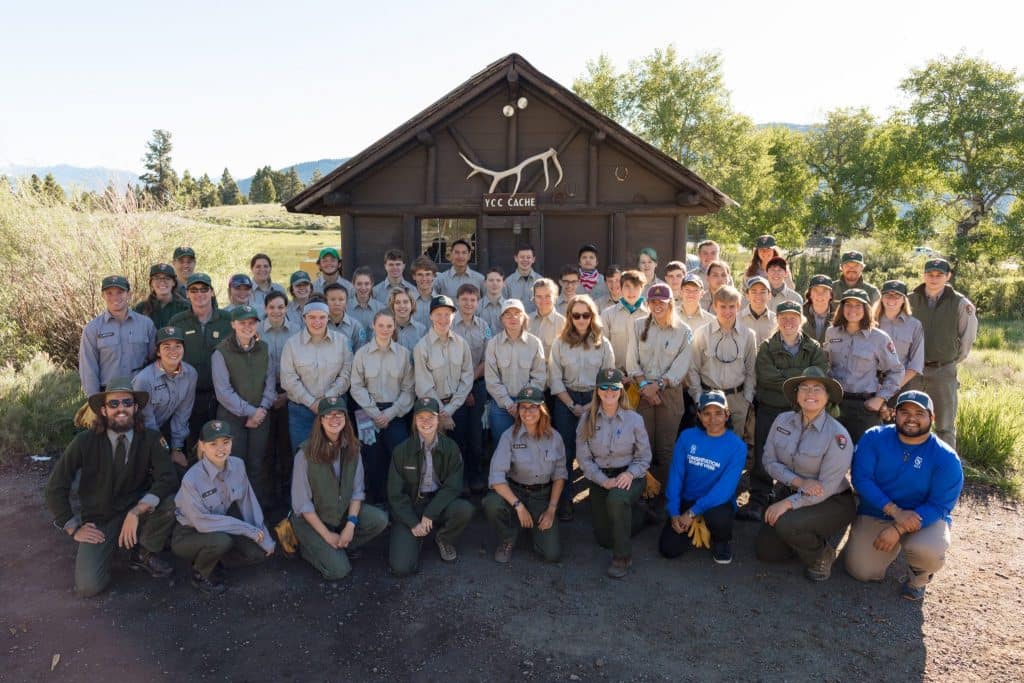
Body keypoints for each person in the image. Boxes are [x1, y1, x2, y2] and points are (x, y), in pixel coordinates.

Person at [44, 378, 177, 597]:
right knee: (88, 587)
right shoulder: (84, 442)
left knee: (171, 502)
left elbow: (168, 478)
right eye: (113, 404)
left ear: (135, 407)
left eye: (126, 402)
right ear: (104, 411)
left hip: (136, 513)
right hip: (100, 520)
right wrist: (73, 527)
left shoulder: (151, 439)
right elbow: (55, 488)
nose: (121, 408)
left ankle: (142, 551)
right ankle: (115, 548)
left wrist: (137, 510)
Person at [844, 390, 964, 600]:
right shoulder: (874, 437)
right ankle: (888, 548)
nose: (911, 418)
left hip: (922, 518)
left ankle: (919, 577)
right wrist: (894, 511)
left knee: (928, 550)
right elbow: (861, 480)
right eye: (905, 412)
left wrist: (898, 528)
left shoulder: (945, 457)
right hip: (878, 513)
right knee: (860, 571)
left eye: (919, 413)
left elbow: (939, 505)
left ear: (932, 418)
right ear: (894, 414)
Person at [755, 367, 856, 581]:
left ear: (827, 397)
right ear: (797, 394)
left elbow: (825, 488)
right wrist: (799, 481)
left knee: (786, 524)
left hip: (831, 500)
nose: (810, 394)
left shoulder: (837, 436)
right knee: (767, 552)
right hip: (795, 489)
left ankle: (821, 554)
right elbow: (768, 461)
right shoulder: (782, 421)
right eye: (805, 388)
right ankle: (805, 532)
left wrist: (787, 505)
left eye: (817, 388)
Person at [740, 302, 828, 521]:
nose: (788, 322)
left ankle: (790, 494)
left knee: (801, 453)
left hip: (802, 410)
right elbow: (766, 376)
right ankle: (759, 496)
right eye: (784, 317)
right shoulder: (767, 347)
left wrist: (785, 375)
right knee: (764, 452)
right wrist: (800, 379)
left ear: (801, 320)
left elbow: (818, 374)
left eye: (793, 317)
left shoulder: (814, 347)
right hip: (770, 407)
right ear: (776, 320)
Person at [290, 396, 389, 580]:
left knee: (380, 520)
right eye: (328, 415)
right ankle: (308, 548)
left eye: (339, 414)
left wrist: (350, 525)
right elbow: (303, 505)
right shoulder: (304, 454)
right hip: (312, 521)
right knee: (339, 570)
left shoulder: (353, 448)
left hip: (340, 514)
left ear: (346, 418)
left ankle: (342, 543)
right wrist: (327, 535)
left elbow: (357, 492)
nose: (334, 419)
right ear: (320, 420)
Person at [172, 420, 275, 594]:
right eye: (213, 444)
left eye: (226, 443)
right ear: (202, 446)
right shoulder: (191, 479)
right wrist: (246, 529)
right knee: (222, 541)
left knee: (257, 552)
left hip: (220, 523)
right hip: (189, 532)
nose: (221, 449)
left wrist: (263, 535)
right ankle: (200, 572)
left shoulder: (238, 465)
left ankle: (216, 559)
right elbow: (202, 523)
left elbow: (248, 503)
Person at [576, 368, 652, 579]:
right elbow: (584, 459)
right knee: (604, 539)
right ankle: (640, 516)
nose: (609, 392)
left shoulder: (634, 419)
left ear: (621, 391)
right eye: (604, 388)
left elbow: (644, 457)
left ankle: (622, 557)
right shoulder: (586, 420)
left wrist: (629, 475)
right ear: (597, 391)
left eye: (614, 388)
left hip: (629, 475)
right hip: (600, 477)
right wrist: (603, 480)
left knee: (617, 500)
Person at [387, 398, 475, 576]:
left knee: (464, 509)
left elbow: (453, 486)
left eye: (431, 417)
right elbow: (395, 494)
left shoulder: (450, 447)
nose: (426, 422)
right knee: (401, 568)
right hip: (412, 507)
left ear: (438, 420)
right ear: (414, 421)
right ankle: (416, 536)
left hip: (437, 503)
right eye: (421, 417)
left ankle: (443, 538)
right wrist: (413, 522)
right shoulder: (401, 451)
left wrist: (430, 513)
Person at [659, 390, 746, 565]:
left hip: (716, 504)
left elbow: (725, 489)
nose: (713, 419)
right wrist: (675, 511)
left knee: (718, 516)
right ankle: (694, 525)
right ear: (699, 415)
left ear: (727, 414)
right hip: (688, 500)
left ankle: (721, 540)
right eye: (707, 413)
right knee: (669, 549)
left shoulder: (737, 446)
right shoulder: (687, 437)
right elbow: (676, 475)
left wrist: (691, 513)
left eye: (718, 413)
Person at [548, 294, 615, 520]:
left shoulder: (602, 343)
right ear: (569, 317)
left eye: (585, 315)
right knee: (565, 453)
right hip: (566, 399)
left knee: (598, 451)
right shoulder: (559, 343)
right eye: (576, 315)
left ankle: (598, 502)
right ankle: (564, 501)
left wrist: (591, 404)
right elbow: (555, 379)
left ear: (592, 316)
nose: (581, 319)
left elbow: (608, 377)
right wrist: (572, 404)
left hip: (595, 399)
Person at [483, 386, 567, 563]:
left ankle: (533, 529)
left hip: (542, 496)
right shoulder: (508, 437)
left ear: (542, 409)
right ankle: (508, 537)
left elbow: (560, 475)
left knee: (552, 555)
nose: (527, 412)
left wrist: (551, 509)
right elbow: (496, 478)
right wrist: (519, 506)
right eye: (523, 407)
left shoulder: (555, 437)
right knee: (491, 503)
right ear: (518, 410)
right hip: (516, 492)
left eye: (533, 407)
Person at [626, 283, 694, 488]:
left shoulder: (683, 331)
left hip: (670, 393)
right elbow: (631, 360)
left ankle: (666, 495)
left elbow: (681, 366)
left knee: (666, 448)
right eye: (653, 302)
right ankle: (644, 493)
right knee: (642, 446)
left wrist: (657, 386)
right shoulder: (638, 325)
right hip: (641, 391)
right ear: (648, 303)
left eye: (661, 302)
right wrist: (646, 386)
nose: (657, 306)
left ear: (670, 303)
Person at [906, 258, 978, 450]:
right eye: (930, 274)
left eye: (939, 275)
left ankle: (948, 473)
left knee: (944, 426)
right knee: (909, 422)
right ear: (924, 275)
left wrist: (949, 361)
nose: (934, 278)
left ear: (948, 276)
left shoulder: (961, 304)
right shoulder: (909, 299)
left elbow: (967, 338)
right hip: (913, 371)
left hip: (943, 371)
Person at [211, 305, 277, 505]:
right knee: (233, 465)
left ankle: (257, 510)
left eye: (251, 323)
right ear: (233, 324)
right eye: (242, 323)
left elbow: (270, 383)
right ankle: (234, 508)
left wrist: (262, 410)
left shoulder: (264, 349)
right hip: (232, 419)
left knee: (258, 464)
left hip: (260, 417)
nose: (247, 327)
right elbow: (223, 392)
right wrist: (250, 412)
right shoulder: (221, 352)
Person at [350, 310, 415, 504]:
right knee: (371, 458)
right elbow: (356, 386)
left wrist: (389, 413)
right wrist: (375, 413)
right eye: (381, 325)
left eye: (389, 326)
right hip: (366, 413)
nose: (385, 330)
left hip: (395, 412)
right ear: (373, 325)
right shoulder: (361, 354)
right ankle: (377, 501)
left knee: (399, 455)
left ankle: (399, 500)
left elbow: (408, 388)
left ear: (394, 327)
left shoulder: (403, 354)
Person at [823, 289, 903, 443]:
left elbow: (896, 371)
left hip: (864, 407)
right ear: (842, 308)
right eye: (848, 305)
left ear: (866, 309)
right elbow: (826, 364)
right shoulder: (831, 333)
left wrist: (880, 399)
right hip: (835, 405)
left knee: (863, 455)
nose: (853, 309)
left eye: (858, 305)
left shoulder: (879, 338)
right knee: (834, 454)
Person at [169, 273, 233, 450]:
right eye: (194, 290)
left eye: (204, 289)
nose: (199, 294)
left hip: (220, 396)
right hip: (189, 395)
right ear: (187, 294)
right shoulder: (178, 322)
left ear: (212, 292)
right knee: (193, 445)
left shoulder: (227, 321)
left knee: (220, 444)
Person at [280, 300, 354, 449]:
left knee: (336, 453)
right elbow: (288, 379)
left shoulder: (342, 342)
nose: (317, 322)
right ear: (304, 318)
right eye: (312, 317)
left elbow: (346, 375)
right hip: (301, 411)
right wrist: (312, 403)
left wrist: (326, 400)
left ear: (328, 318)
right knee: (303, 455)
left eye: (321, 317)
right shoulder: (291, 344)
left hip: (334, 411)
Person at [688, 285, 757, 440]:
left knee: (734, 444)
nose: (727, 312)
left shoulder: (748, 335)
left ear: (738, 306)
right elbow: (693, 369)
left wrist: (747, 399)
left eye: (732, 307)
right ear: (714, 306)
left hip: (737, 399)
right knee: (707, 445)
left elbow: (751, 370)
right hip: (708, 397)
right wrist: (698, 398)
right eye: (723, 307)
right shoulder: (702, 333)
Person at [133, 325, 198, 472]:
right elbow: (146, 421)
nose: (173, 351)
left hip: (162, 431)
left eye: (178, 346)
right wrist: (163, 451)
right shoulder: (144, 380)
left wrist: (176, 448)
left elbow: (183, 413)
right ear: (158, 352)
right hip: (138, 433)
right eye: (166, 347)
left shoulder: (190, 374)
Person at [79, 274, 156, 395]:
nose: (115, 297)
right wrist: (94, 400)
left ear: (129, 295)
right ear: (102, 296)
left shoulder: (146, 324)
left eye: (120, 292)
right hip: (108, 394)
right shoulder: (92, 329)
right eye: (109, 293)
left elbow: (155, 361)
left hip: (140, 392)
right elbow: (88, 368)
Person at [257, 290, 299, 507]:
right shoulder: (256, 331)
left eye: (280, 307)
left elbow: (301, 366)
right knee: (265, 447)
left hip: (288, 393)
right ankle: (266, 497)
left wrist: (285, 395)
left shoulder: (296, 331)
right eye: (272, 307)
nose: (276, 311)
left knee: (286, 446)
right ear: (265, 308)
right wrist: (268, 396)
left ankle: (287, 496)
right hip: (262, 393)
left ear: (286, 308)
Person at [412, 294, 474, 439]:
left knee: (459, 452)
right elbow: (423, 385)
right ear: (431, 317)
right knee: (435, 454)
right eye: (438, 314)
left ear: (454, 316)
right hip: (431, 410)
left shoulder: (462, 344)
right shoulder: (421, 347)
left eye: (447, 314)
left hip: (458, 407)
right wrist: (441, 412)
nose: (443, 319)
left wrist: (450, 410)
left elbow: (467, 378)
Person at [485, 299, 547, 439]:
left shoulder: (534, 343)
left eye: (517, 313)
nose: (512, 317)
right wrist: (509, 403)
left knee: (530, 445)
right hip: (502, 405)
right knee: (501, 445)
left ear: (524, 317)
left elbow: (540, 377)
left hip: (530, 404)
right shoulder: (493, 344)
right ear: (502, 319)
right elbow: (491, 379)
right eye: (508, 314)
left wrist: (523, 403)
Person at [452, 284, 492, 492]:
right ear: (457, 300)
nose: (468, 304)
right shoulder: (449, 325)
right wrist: (462, 388)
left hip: (477, 387)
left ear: (478, 302)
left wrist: (469, 385)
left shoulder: (484, 325)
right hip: (454, 388)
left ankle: (476, 476)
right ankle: (460, 480)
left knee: (476, 437)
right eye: (464, 299)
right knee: (458, 436)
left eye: (473, 300)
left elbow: (487, 359)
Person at [875, 280, 925, 400]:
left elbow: (915, 365)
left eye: (897, 296)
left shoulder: (914, 325)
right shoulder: (871, 322)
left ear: (904, 300)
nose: (892, 299)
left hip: (901, 385)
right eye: (887, 295)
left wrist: (890, 389)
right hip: (871, 384)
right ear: (882, 298)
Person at [600, 269, 647, 378]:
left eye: (636, 287)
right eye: (627, 286)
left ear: (642, 289)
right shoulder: (607, 314)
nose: (631, 292)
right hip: (615, 375)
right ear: (620, 288)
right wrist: (615, 373)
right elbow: (602, 348)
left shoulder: (649, 315)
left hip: (643, 377)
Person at [134, 263, 190, 329]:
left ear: (173, 282)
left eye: (167, 278)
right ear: (151, 283)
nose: (162, 281)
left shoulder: (185, 307)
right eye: (157, 278)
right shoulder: (141, 309)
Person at [527, 278, 565, 361]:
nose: (543, 300)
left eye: (548, 296)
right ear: (534, 298)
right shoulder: (526, 321)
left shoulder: (563, 323)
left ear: (555, 297)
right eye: (539, 296)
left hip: (552, 372)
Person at [324, 282, 369, 351]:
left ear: (346, 301)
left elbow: (360, 353)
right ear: (326, 301)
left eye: (341, 299)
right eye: (332, 299)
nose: (337, 303)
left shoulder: (355, 326)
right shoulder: (320, 324)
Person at [502, 243, 542, 313]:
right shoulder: (507, 282)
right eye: (522, 257)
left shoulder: (540, 281)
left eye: (528, 257)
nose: (525, 260)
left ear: (533, 259)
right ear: (516, 258)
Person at [740, 276, 776, 346]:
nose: (758, 296)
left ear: (769, 295)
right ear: (747, 295)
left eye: (762, 292)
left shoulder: (776, 320)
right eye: (754, 292)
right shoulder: (737, 319)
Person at [388, 287, 427, 352]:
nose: (402, 306)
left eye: (405, 302)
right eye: (397, 302)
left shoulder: (421, 330)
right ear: (392, 306)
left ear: (412, 305)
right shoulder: (384, 328)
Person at [802, 274, 837, 345]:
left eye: (825, 290)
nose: (820, 294)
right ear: (810, 294)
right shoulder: (799, 314)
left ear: (831, 295)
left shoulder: (840, 315)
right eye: (815, 290)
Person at [349, 266, 384, 331]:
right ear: (353, 284)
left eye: (367, 284)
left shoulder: (381, 309)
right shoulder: (345, 307)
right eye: (359, 284)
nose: (363, 287)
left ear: (372, 284)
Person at [410, 256, 439, 329]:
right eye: (420, 274)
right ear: (414, 276)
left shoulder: (441, 301)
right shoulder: (407, 301)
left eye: (428, 274)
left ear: (433, 276)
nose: (424, 279)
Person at [477, 267, 506, 333]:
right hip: (482, 342)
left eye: (498, 280)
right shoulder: (476, 306)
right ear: (485, 283)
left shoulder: (508, 307)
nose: (494, 283)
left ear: (504, 283)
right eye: (491, 280)